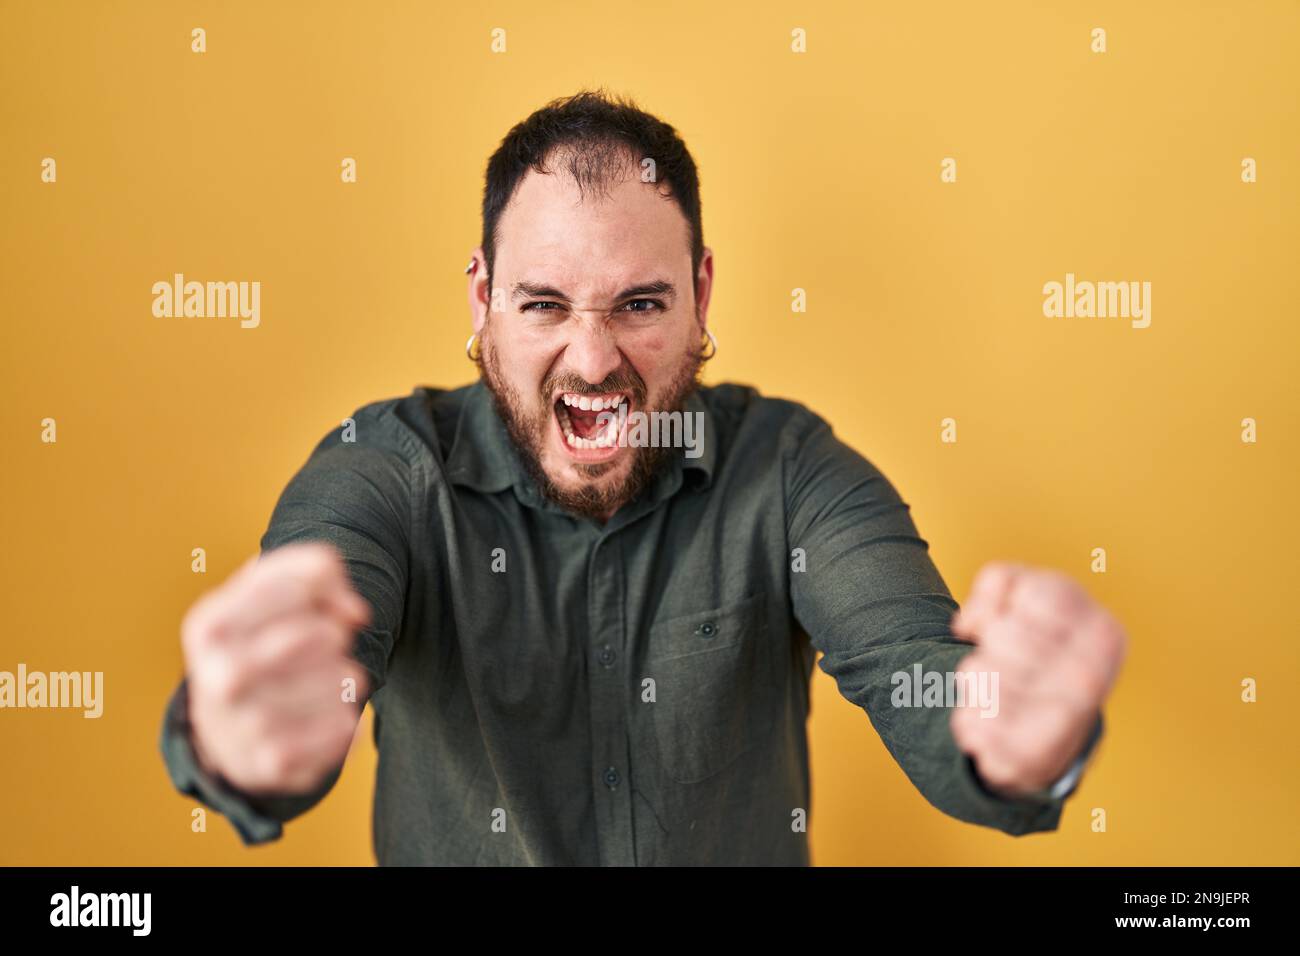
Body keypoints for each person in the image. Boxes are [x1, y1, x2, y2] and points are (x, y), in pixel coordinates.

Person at [160, 89, 1125, 865]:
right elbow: (305, 640)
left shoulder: (790, 473)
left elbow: (918, 671)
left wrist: (1002, 735)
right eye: (543, 303)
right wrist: (235, 740)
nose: (591, 360)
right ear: (484, 300)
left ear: (701, 295)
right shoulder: (382, 474)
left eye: (639, 303)